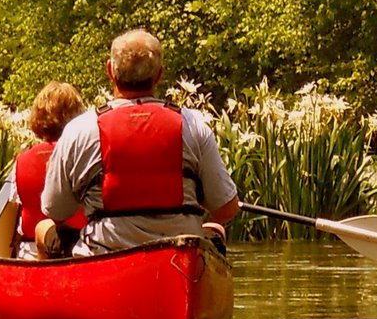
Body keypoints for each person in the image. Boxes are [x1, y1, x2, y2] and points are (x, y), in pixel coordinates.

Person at [43, 29, 240, 256]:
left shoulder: (79, 129)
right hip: (178, 256)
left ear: (110, 71)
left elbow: (55, 210)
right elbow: (227, 209)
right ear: (159, 75)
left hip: (104, 255)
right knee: (216, 230)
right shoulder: (193, 124)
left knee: (44, 229)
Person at [12, 81, 88, 259]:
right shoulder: (84, 156)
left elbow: (17, 208)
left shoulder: (21, 161)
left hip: (30, 251)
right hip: (78, 249)